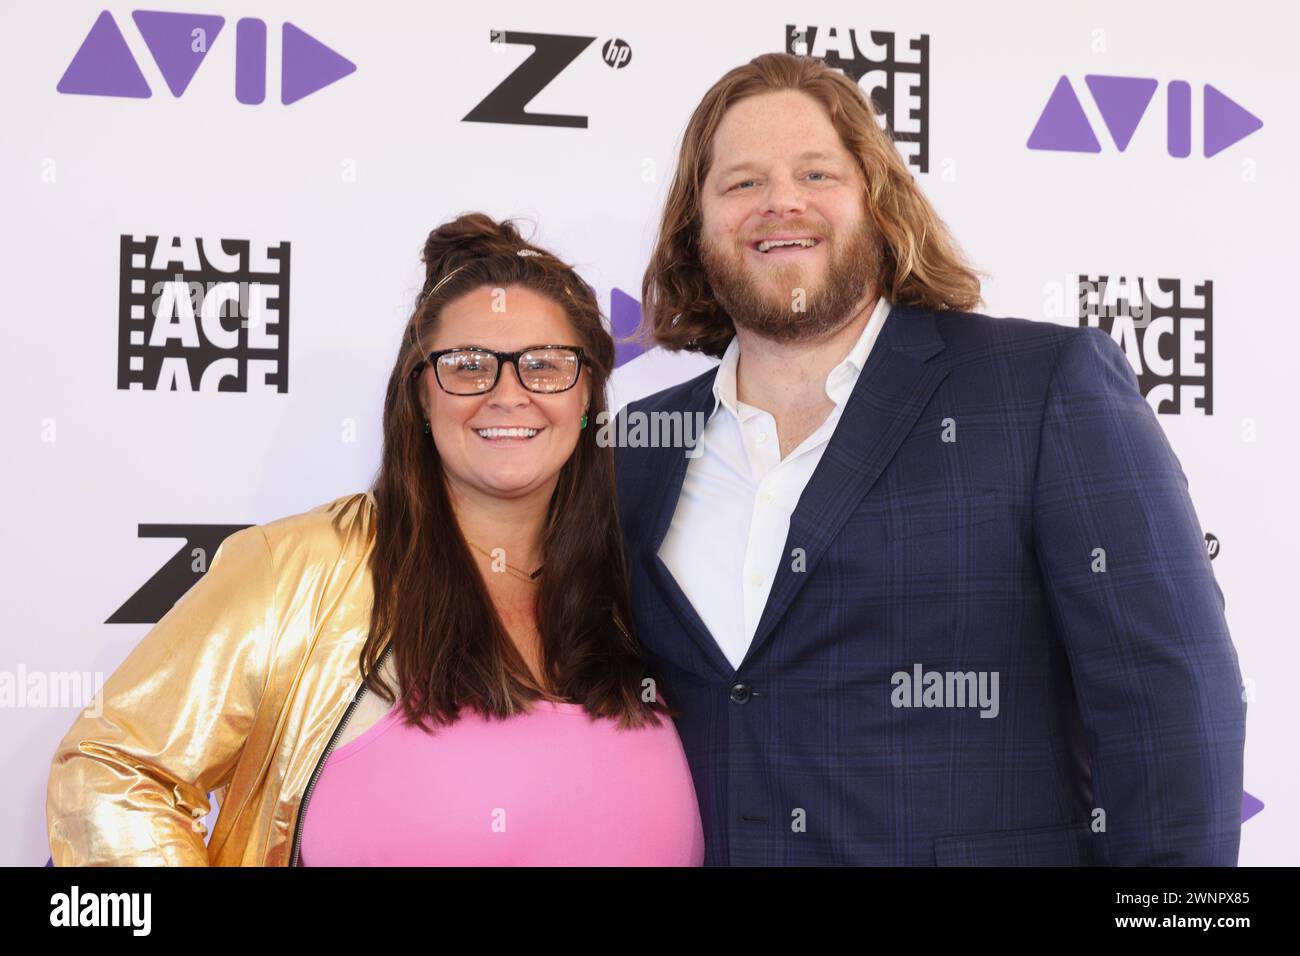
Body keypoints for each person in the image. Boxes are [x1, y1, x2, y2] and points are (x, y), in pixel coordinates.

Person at [616, 52, 1246, 865]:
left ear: (879, 205)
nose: (781, 202)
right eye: (740, 183)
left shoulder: (1040, 388)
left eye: (817, 172)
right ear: (695, 228)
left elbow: (1174, 701)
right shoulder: (636, 449)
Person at [46, 213, 704, 866]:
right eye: (469, 365)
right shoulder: (304, 569)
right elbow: (111, 769)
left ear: (588, 390)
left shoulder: (645, 574)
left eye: (545, 364)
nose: (509, 393)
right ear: (419, 395)